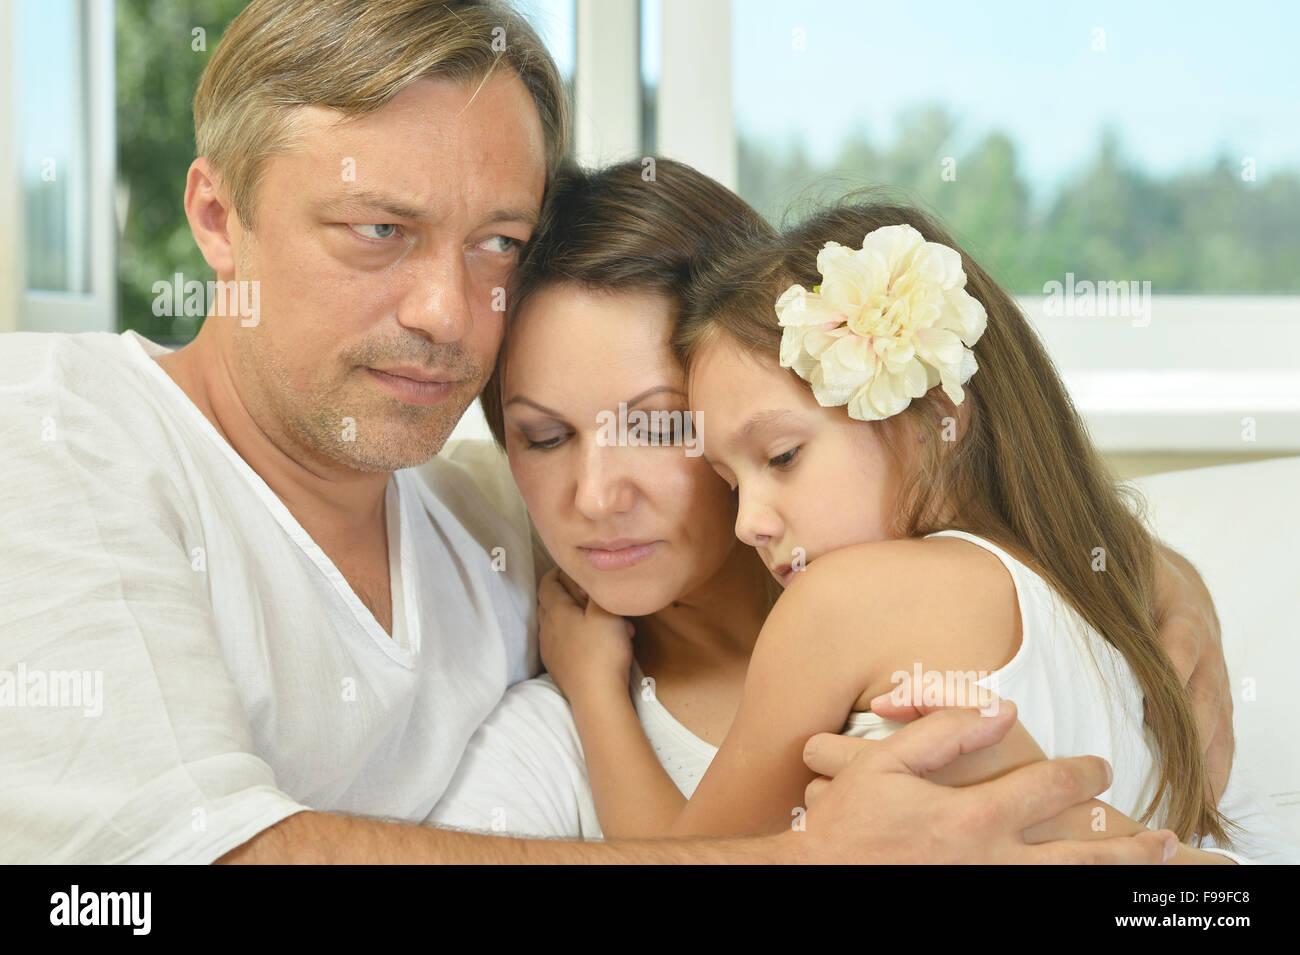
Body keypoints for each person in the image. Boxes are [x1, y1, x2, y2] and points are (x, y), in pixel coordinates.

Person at [427, 160, 1270, 861]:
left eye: (658, 424)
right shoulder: (527, 745)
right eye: (541, 436)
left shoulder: (855, 605)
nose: (597, 495)